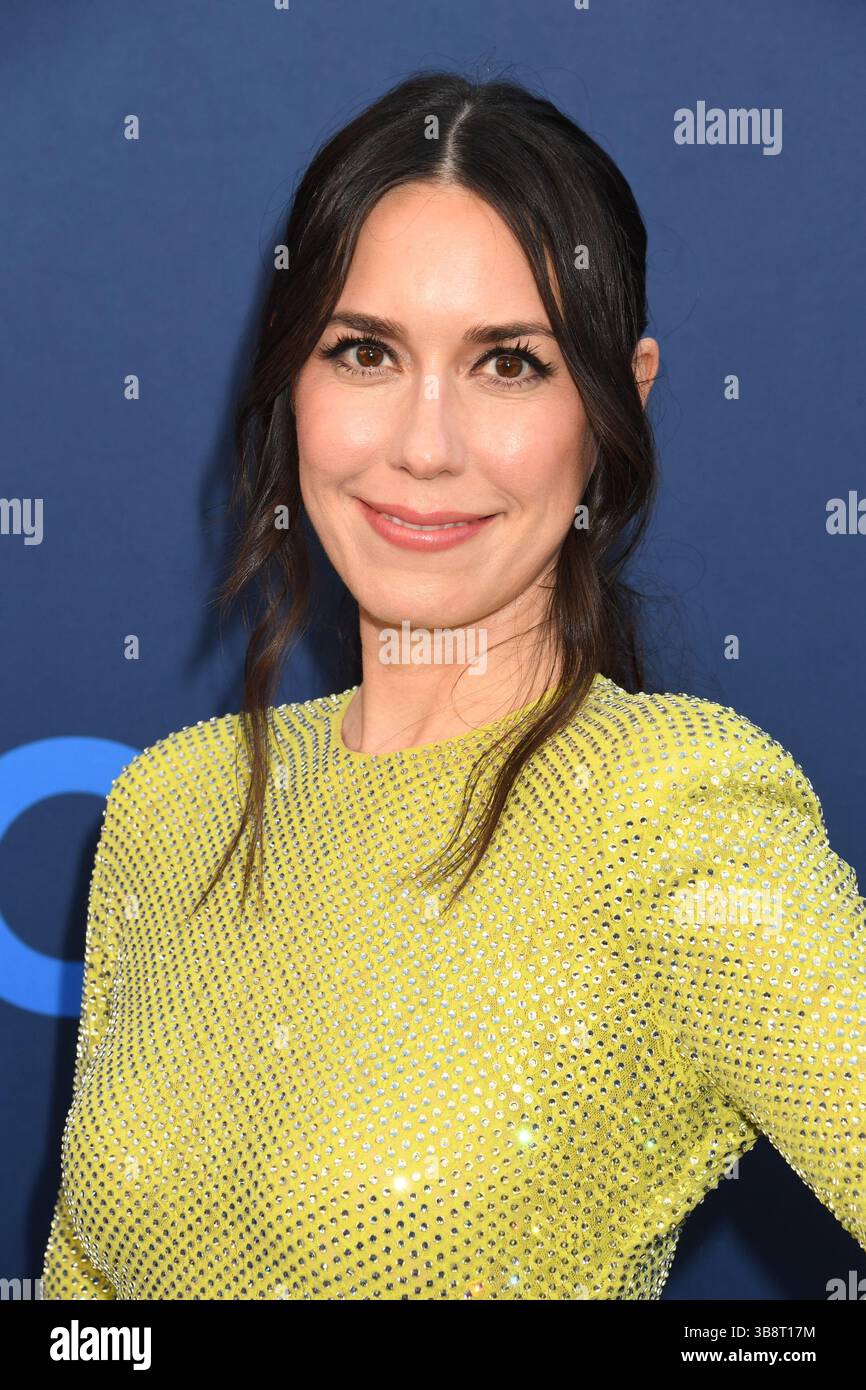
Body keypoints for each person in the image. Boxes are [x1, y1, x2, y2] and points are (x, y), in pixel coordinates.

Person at [42, 70, 866, 1300]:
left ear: (615, 399)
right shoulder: (173, 808)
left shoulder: (672, 817)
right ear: (294, 385)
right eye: (363, 351)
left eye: (509, 364)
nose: (424, 444)